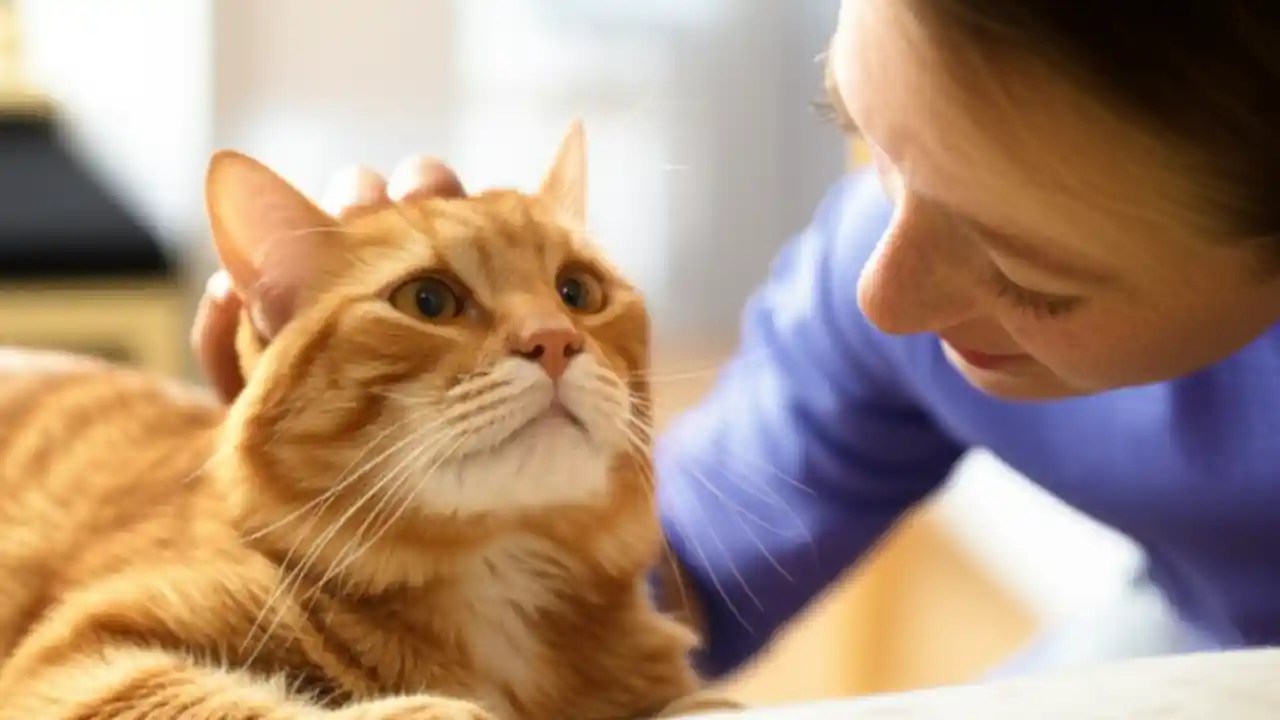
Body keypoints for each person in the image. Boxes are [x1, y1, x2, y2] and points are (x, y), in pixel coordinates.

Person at [193, 0, 1280, 684]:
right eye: (870, 142)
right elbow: (692, 572)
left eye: (1026, 273)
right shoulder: (881, 269)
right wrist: (368, 499)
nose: (879, 298)